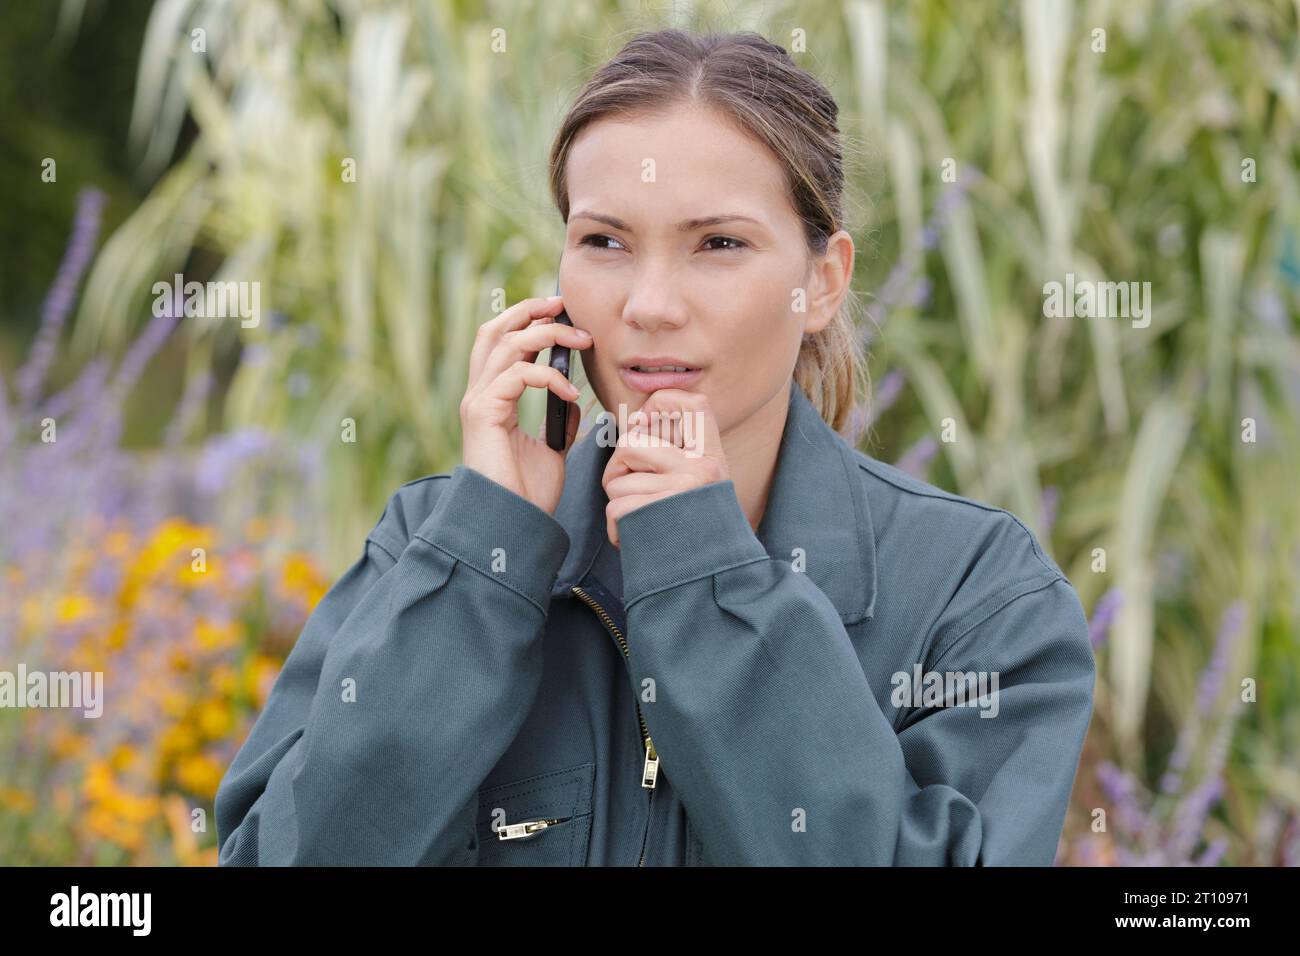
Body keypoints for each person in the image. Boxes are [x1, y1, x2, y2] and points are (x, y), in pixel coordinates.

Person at [215, 28, 1096, 866]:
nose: (650, 304)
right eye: (605, 242)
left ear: (822, 282)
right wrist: (487, 559)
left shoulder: (979, 595)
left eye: (718, 244)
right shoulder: (431, 544)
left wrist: (705, 575)